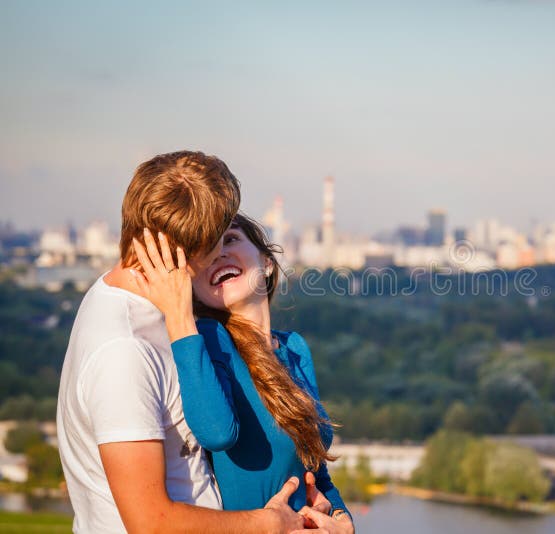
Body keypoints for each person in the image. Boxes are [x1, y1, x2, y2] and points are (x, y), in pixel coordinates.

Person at [57, 151, 309, 533]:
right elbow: (149, 523)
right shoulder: (124, 351)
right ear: (199, 249)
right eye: (221, 236)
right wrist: (268, 523)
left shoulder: (157, 307)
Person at [129, 213, 355, 534]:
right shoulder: (211, 338)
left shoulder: (295, 347)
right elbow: (217, 433)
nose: (217, 254)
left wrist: (343, 522)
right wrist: (179, 315)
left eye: (231, 239)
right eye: (204, 252)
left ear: (267, 262)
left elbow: (314, 470)